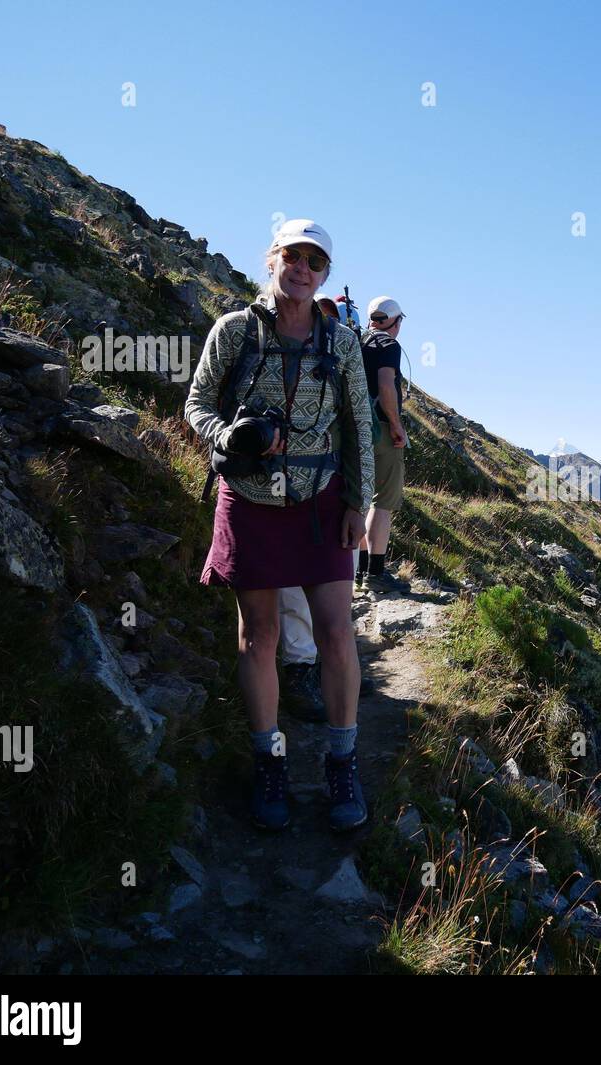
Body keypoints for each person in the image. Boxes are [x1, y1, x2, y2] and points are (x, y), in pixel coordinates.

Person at [185, 219, 373, 832]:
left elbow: (359, 424)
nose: (302, 269)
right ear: (272, 260)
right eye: (292, 256)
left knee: (337, 632)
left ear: (325, 275)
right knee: (259, 636)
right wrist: (225, 435)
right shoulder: (234, 331)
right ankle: (270, 766)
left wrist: (359, 503)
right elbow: (196, 403)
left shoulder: (340, 342)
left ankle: (342, 764)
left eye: (315, 262)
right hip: (249, 498)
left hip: (322, 502)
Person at [275, 290, 355, 722]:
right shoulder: (280, 349)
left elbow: (358, 426)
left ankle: (334, 665)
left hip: (333, 487)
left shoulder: (342, 357)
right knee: (292, 586)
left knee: (336, 586)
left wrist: (357, 499)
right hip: (288, 485)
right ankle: (300, 668)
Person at [359, 295, 409, 595]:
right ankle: (375, 573)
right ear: (396, 321)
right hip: (379, 428)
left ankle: (357, 568)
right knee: (383, 500)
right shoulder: (388, 345)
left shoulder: (356, 340)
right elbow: (386, 385)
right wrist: (395, 424)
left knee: (359, 497)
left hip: (352, 429)